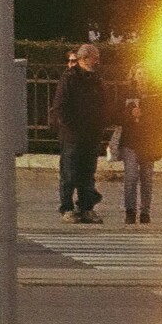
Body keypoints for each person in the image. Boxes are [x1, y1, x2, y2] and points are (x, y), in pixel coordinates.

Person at [54, 43, 108, 224]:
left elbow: (103, 103)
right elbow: (60, 107)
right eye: (94, 58)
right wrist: (71, 127)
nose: (97, 62)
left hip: (91, 134)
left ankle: (86, 207)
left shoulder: (96, 79)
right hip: (73, 135)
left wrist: (100, 124)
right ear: (84, 59)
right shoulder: (69, 78)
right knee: (69, 173)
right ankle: (67, 208)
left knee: (87, 173)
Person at [112, 67, 156, 226]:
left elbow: (160, 117)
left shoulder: (155, 95)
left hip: (148, 141)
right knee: (131, 177)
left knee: (147, 178)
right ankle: (130, 211)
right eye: (139, 74)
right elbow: (116, 115)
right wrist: (130, 114)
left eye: (145, 73)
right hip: (130, 140)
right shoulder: (126, 94)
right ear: (134, 76)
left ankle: (145, 212)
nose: (142, 77)